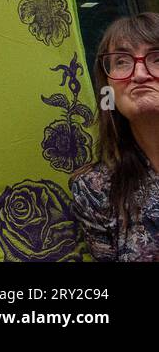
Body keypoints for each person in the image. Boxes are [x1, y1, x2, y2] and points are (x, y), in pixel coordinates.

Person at [70, 13, 159, 261]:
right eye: (121, 61)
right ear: (108, 88)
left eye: (157, 58)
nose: (139, 74)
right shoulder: (95, 189)